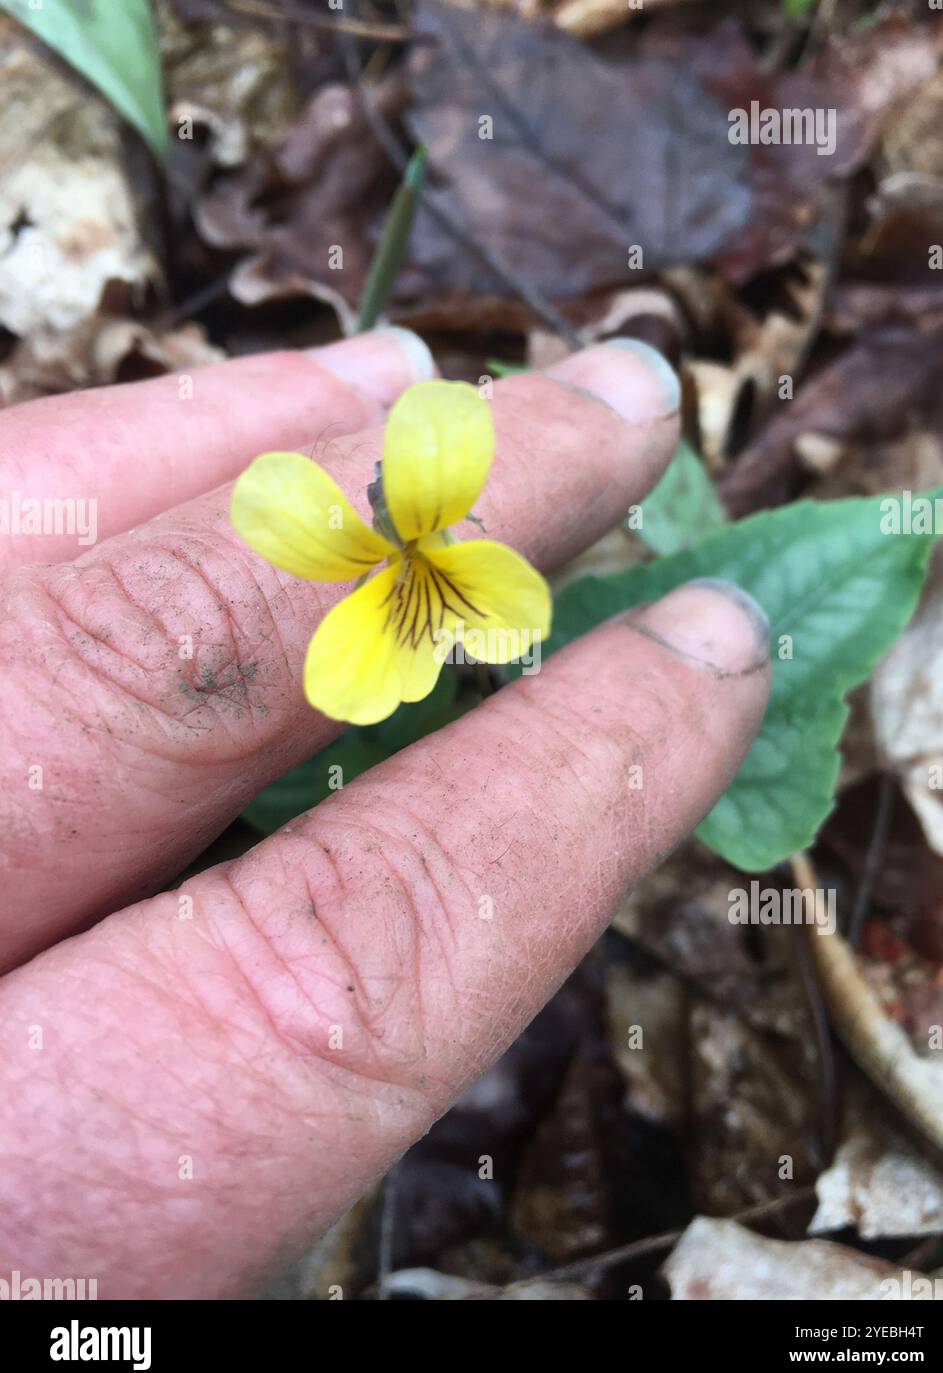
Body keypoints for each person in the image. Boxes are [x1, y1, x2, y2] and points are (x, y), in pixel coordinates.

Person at [0, 330, 769, 1297]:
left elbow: (466, 585)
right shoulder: (418, 565)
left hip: (399, 577)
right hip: (400, 577)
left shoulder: (415, 564)